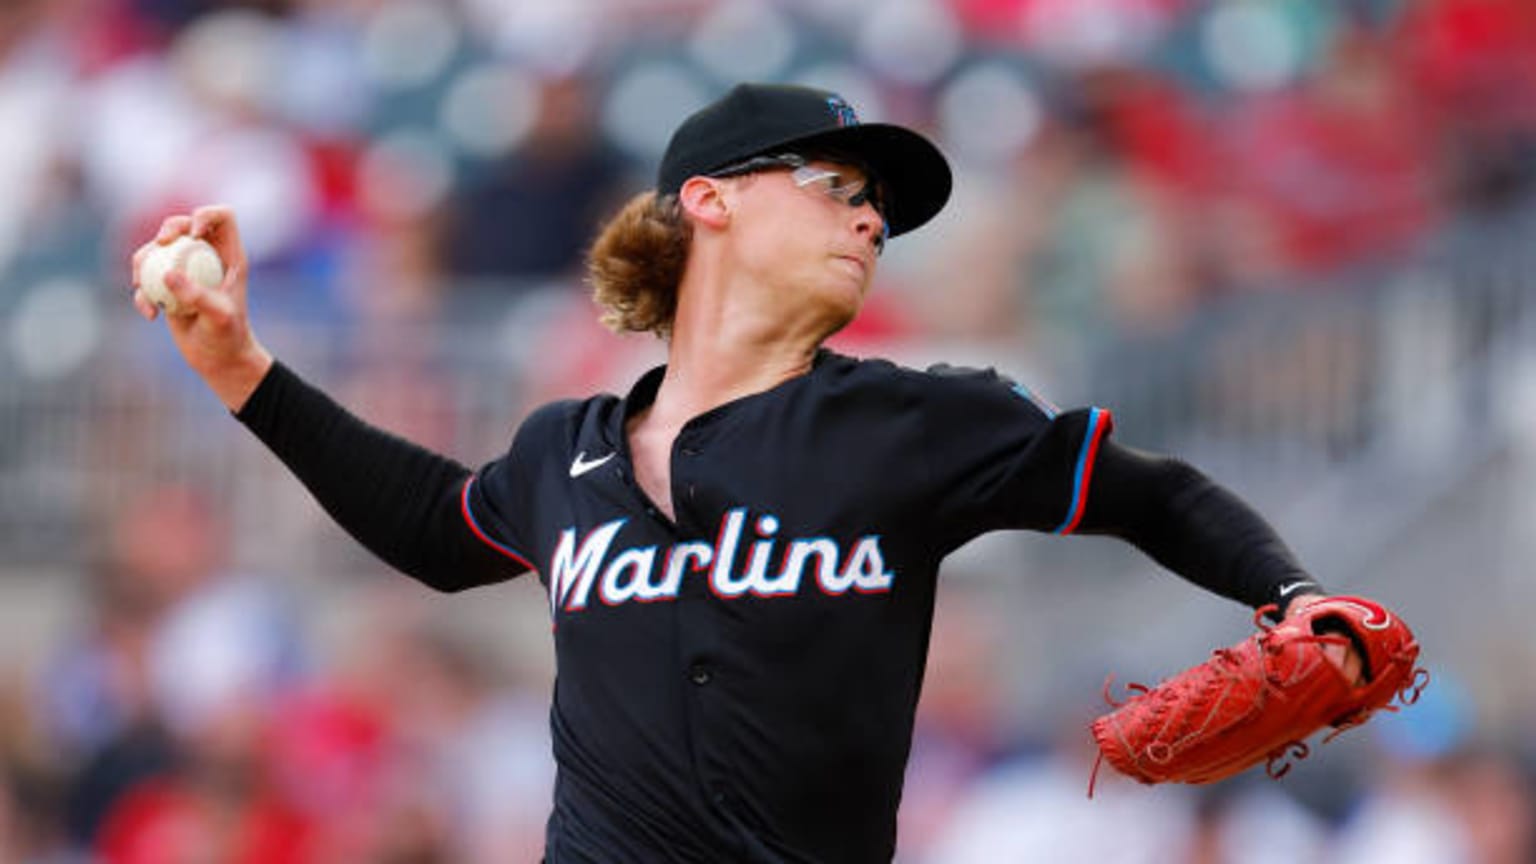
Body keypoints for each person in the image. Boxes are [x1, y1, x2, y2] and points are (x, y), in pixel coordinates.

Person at [129, 82, 1360, 863]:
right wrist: (241, 370)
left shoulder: (913, 423)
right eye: (840, 186)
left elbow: (1156, 493)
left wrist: (1292, 596)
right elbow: (439, 527)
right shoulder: (568, 449)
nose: (873, 219)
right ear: (708, 202)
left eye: (882, 207)